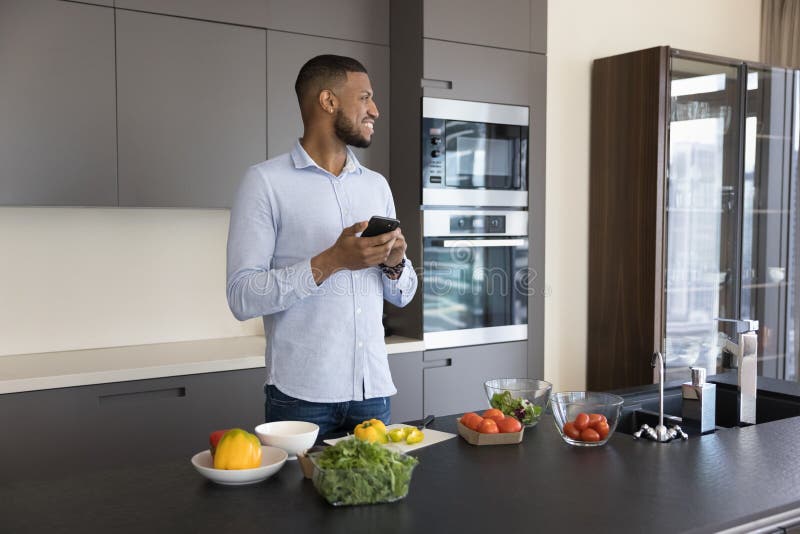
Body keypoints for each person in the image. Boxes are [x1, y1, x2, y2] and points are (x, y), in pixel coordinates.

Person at [226, 55, 417, 439]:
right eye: (364, 98)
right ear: (328, 102)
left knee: (380, 497)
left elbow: (403, 294)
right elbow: (242, 296)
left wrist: (395, 264)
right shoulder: (265, 183)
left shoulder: (376, 186)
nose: (375, 110)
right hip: (300, 397)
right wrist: (330, 261)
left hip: (373, 392)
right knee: (295, 500)